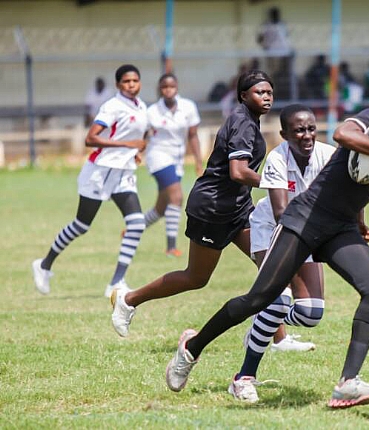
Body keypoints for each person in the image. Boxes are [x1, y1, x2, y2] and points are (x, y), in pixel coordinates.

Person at [162, 77, 369, 409]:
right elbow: (343, 134)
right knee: (259, 299)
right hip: (305, 219)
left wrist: (360, 222)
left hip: (341, 227)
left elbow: (362, 185)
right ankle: (192, 348)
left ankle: (348, 383)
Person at [109, 70, 274, 337]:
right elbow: (238, 172)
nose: (267, 97)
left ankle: (276, 337)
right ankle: (128, 300)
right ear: (244, 96)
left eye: (269, 92)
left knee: (269, 264)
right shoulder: (243, 123)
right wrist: (276, 182)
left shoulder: (249, 121)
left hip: (238, 207)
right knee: (196, 277)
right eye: (260, 92)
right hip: (213, 209)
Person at [229, 104, 335, 403]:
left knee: (311, 313)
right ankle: (243, 378)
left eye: (311, 128)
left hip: (307, 232)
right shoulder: (277, 159)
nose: (307, 135)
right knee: (278, 299)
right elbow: (281, 213)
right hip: (272, 229)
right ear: (285, 134)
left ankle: (261, 320)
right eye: (299, 130)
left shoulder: (329, 156)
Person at [31, 64, 147, 297]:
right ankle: (44, 265)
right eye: (126, 81)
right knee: (82, 225)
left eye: (135, 81)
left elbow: (132, 136)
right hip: (100, 172)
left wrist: (133, 152)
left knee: (136, 223)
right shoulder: (112, 106)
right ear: (118, 85)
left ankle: (116, 282)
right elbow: (90, 138)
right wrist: (127, 145)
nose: (131, 85)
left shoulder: (142, 106)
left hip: (123, 174)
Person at [141, 73, 202, 257]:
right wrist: (136, 153)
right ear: (160, 89)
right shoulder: (152, 111)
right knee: (176, 197)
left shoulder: (188, 107)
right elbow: (143, 136)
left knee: (161, 208)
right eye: (164, 87)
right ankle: (171, 247)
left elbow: (193, 135)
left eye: (172, 86)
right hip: (158, 156)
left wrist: (198, 161)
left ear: (177, 87)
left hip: (177, 159)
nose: (168, 90)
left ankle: (134, 229)